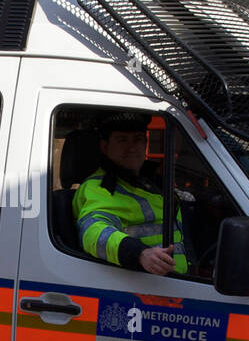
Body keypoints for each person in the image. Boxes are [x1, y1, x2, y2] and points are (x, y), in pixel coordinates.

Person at [73, 111, 185, 276]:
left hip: (177, 283)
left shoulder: (150, 182)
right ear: (105, 147)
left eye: (138, 139)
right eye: (122, 140)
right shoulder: (98, 187)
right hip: (144, 286)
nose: (132, 147)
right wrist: (140, 254)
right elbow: (94, 232)